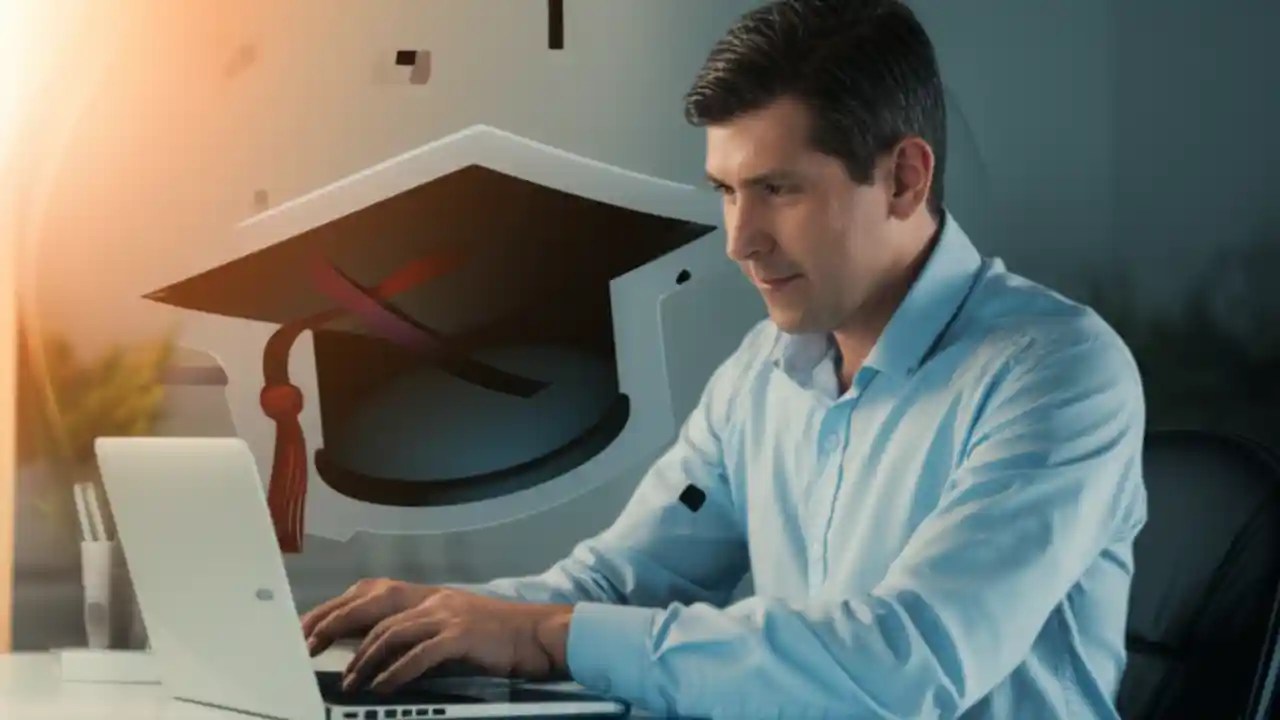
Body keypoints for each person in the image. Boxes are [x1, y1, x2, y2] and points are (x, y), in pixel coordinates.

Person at [300, 0, 1148, 717]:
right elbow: (624, 578)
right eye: (727, 192)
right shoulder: (762, 373)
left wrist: (543, 635)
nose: (740, 241)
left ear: (903, 179)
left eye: (779, 189)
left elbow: (910, 660)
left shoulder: (1055, 373)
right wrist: (464, 615)